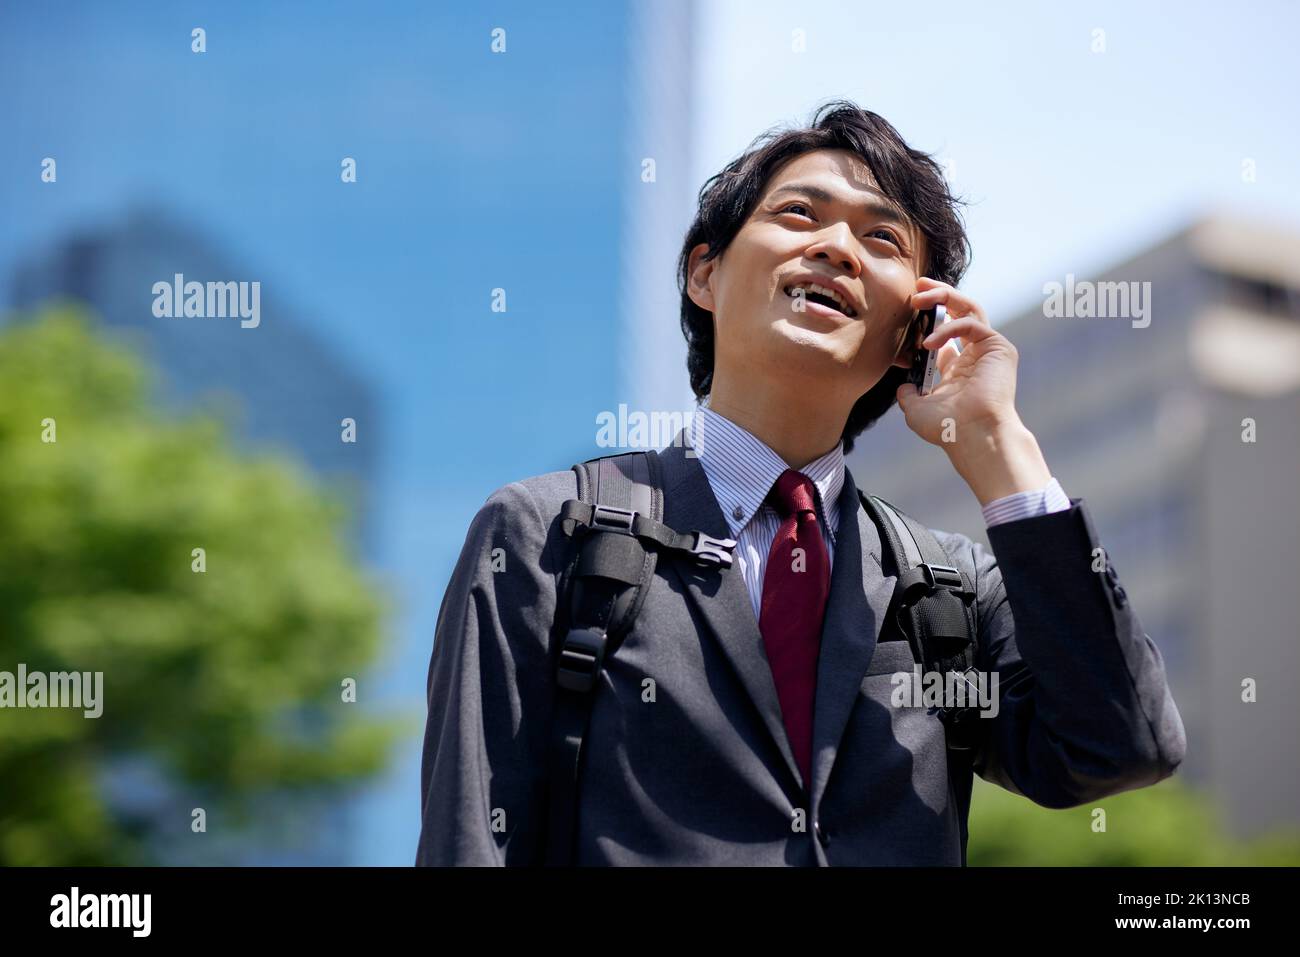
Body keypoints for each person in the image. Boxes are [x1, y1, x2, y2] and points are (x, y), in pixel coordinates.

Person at [415, 100, 1186, 866]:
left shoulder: (949, 591)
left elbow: (1120, 744)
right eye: (798, 213)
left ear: (911, 337)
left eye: (882, 238)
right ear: (705, 274)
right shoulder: (549, 533)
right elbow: (469, 842)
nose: (839, 247)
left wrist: (997, 446)